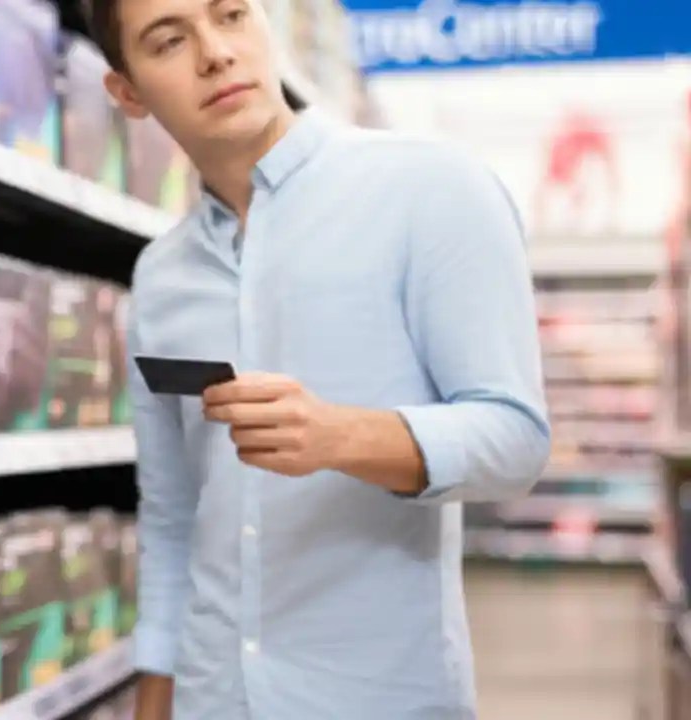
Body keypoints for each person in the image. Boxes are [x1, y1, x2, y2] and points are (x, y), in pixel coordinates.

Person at [87, 0, 551, 717]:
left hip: (380, 697)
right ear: (129, 93)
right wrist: (157, 696)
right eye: (169, 40)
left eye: (231, 14)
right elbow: (174, 517)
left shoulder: (431, 189)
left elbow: (517, 441)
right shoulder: (160, 276)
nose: (215, 52)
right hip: (213, 698)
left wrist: (341, 436)